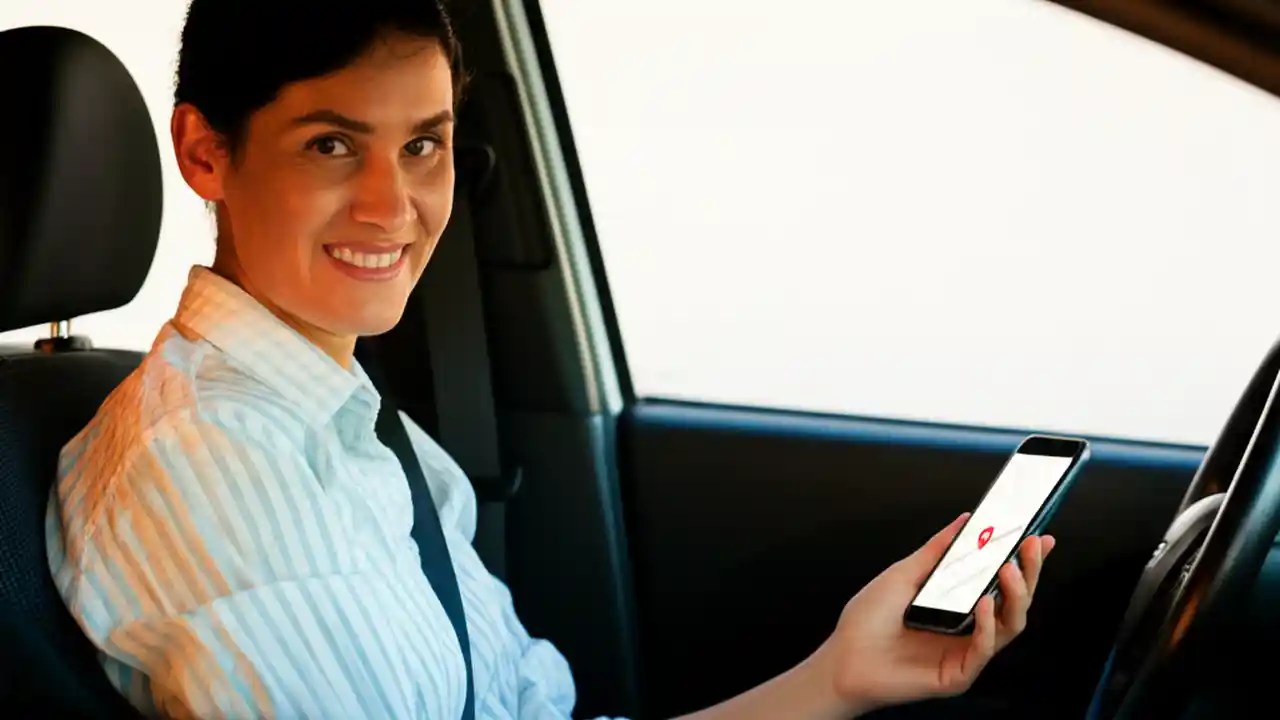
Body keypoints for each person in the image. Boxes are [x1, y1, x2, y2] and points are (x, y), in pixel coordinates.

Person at [45, 1, 1055, 718]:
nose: (393, 207)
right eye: (332, 146)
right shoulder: (208, 464)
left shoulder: (364, 435)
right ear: (206, 153)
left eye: (423, 145)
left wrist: (838, 676)